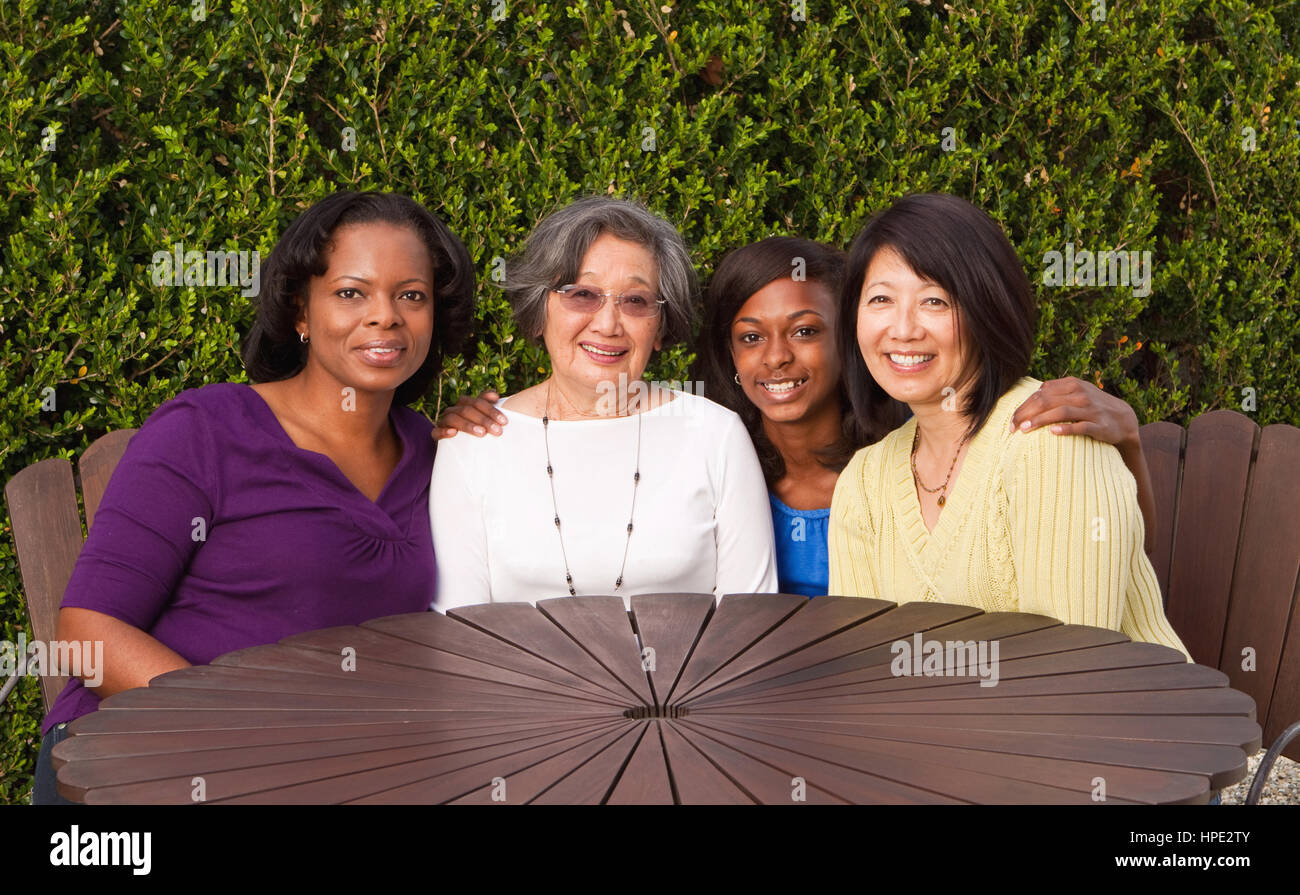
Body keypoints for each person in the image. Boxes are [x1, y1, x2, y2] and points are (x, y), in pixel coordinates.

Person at [32, 191, 476, 804]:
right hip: (136, 753)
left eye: (412, 295)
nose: (385, 316)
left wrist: (495, 432)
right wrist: (245, 741)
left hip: (328, 773)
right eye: (351, 292)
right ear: (301, 308)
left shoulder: (441, 457)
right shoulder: (208, 430)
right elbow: (90, 630)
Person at [439, 236, 1161, 599]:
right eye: (750, 338)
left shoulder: (900, 457)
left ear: (845, 336)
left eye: (807, 332)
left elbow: (1100, 556)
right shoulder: (721, 451)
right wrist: (495, 419)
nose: (776, 359)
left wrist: (1125, 441)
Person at [827, 192, 1188, 657]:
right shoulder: (863, 482)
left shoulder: (1051, 438)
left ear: (985, 309)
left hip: (1125, 723)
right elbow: (866, 670)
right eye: (880, 299)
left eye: (934, 301)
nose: (903, 329)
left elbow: (1070, 671)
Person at [428, 197, 776, 612]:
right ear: (539, 312)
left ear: (660, 327)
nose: (608, 324)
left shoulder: (715, 434)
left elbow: (749, 619)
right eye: (582, 294)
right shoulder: (473, 442)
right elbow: (461, 629)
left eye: (635, 301)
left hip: (691, 679)